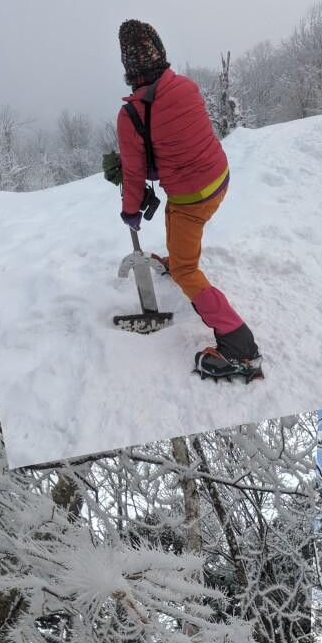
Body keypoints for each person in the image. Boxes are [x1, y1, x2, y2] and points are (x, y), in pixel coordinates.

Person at [116, 19, 262, 382]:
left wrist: (131, 210)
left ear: (129, 68)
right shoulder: (187, 87)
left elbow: (135, 175)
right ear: (161, 54)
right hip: (219, 180)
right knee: (178, 216)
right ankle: (177, 257)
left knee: (186, 266)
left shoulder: (131, 114)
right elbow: (177, 143)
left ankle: (239, 344)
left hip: (190, 199)